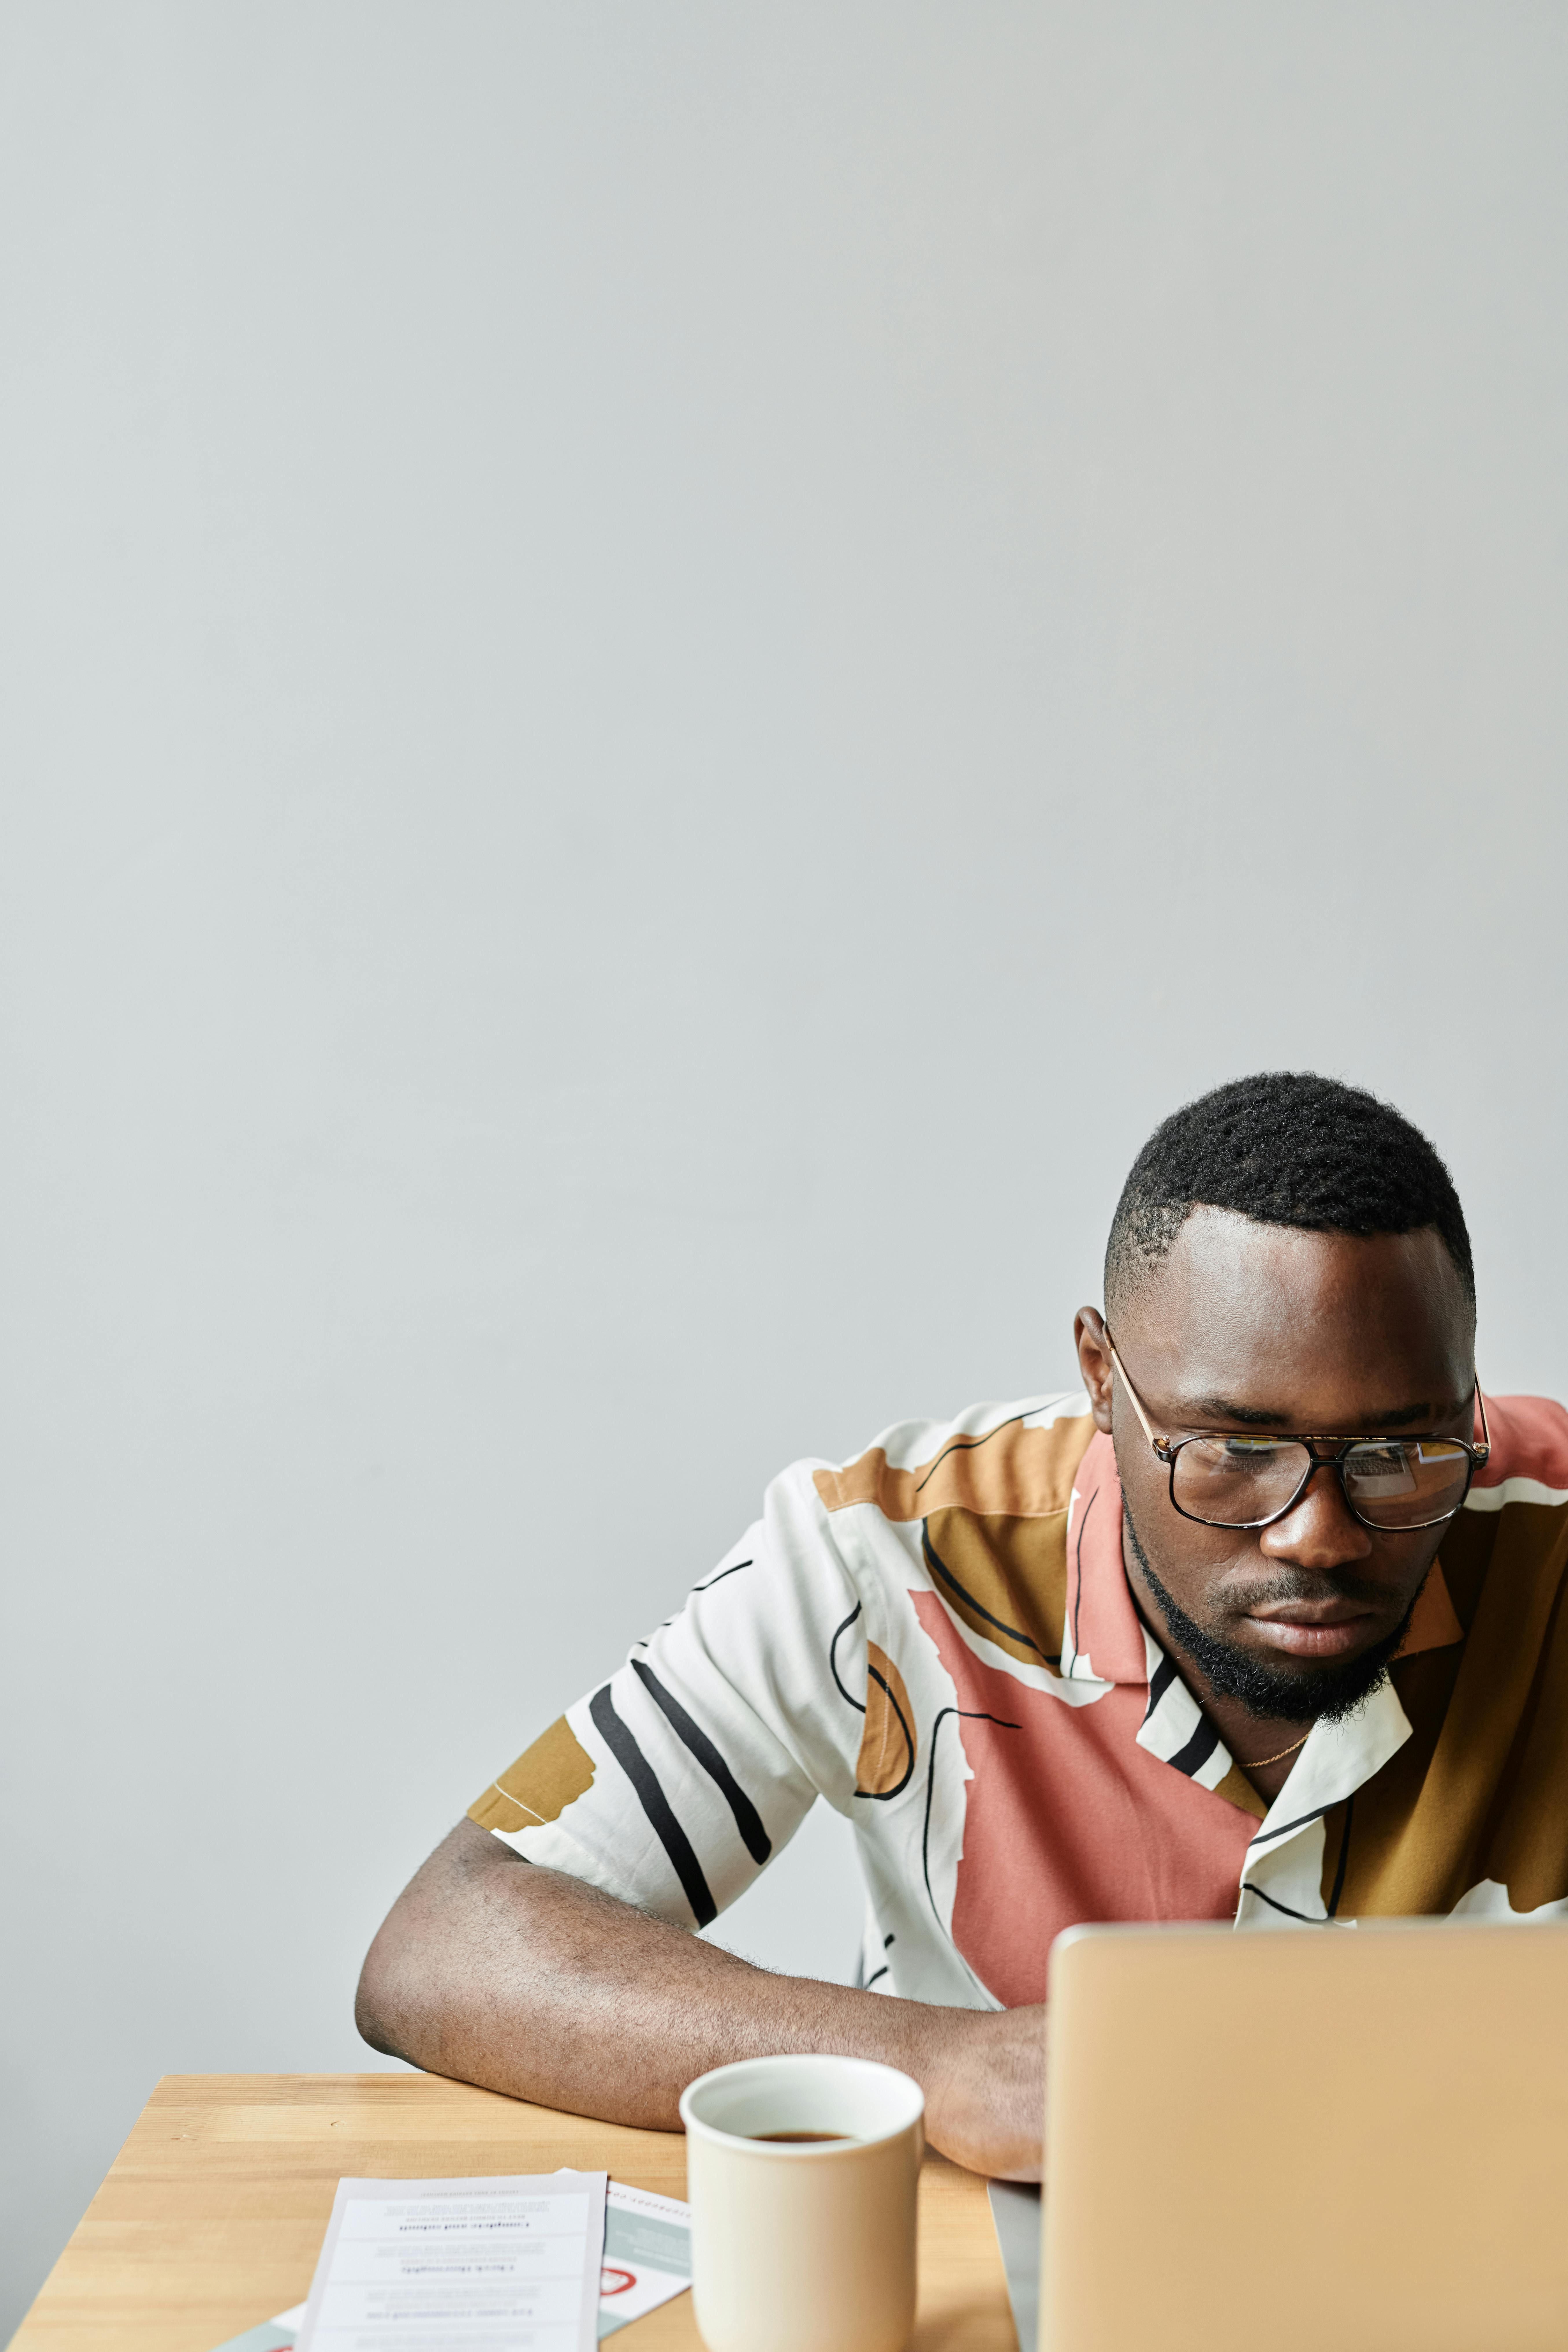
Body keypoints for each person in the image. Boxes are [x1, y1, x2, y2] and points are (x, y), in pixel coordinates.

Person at [355, 1073, 1568, 2179]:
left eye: (1395, 1453)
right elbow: (449, 1941)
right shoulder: (881, 1550)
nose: (1316, 1533)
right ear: (1100, 1378)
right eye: (1233, 1449)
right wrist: (937, 2064)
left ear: (1466, 1400)